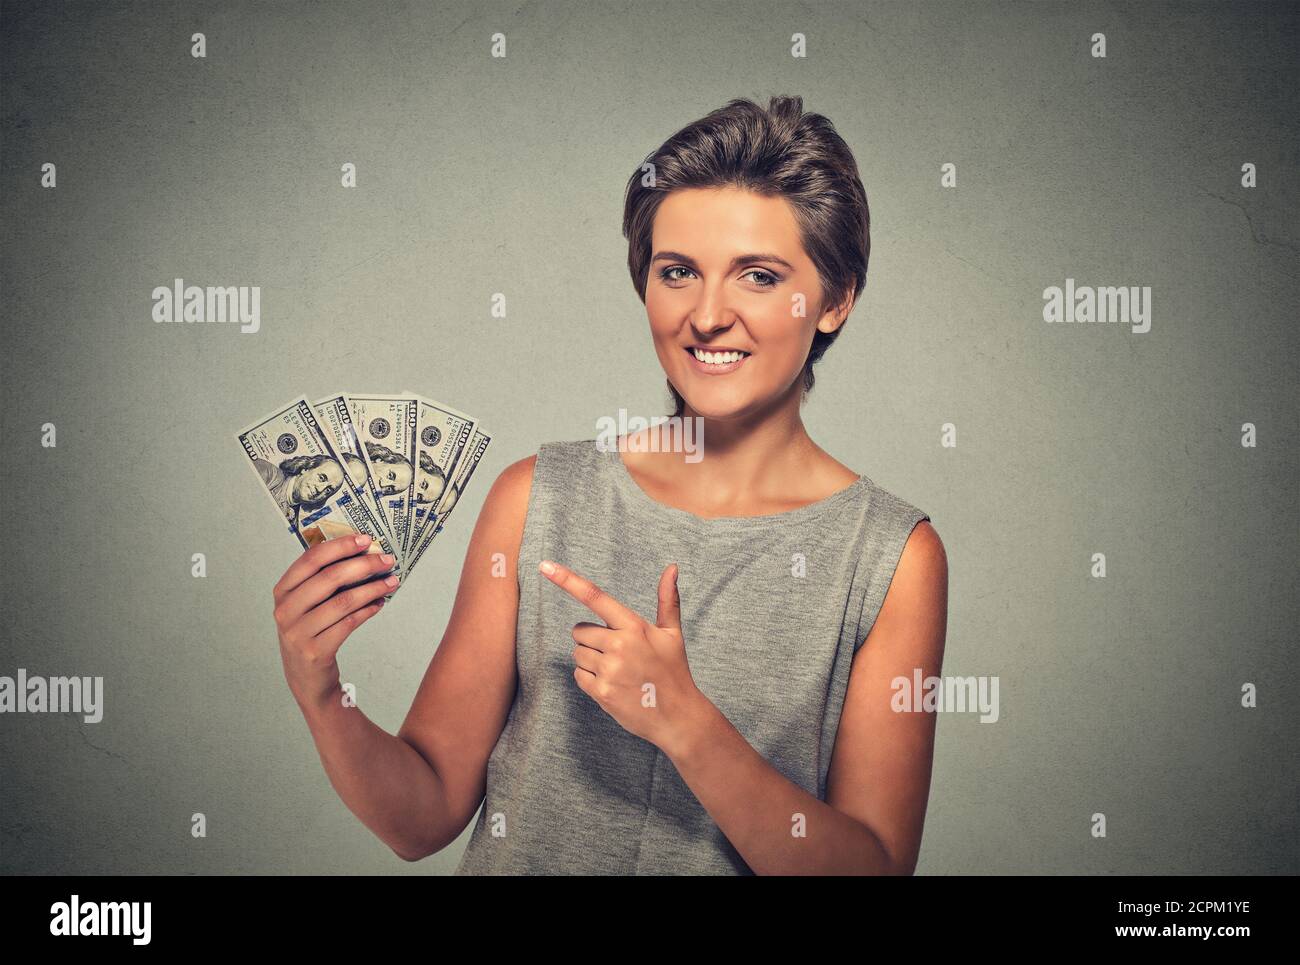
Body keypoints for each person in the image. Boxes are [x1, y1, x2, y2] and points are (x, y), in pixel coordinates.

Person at [270, 94, 948, 874]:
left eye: (758, 276)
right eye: (678, 272)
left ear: (834, 300)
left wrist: (687, 724)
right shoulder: (536, 498)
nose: (708, 314)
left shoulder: (892, 559)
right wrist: (321, 690)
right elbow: (421, 817)